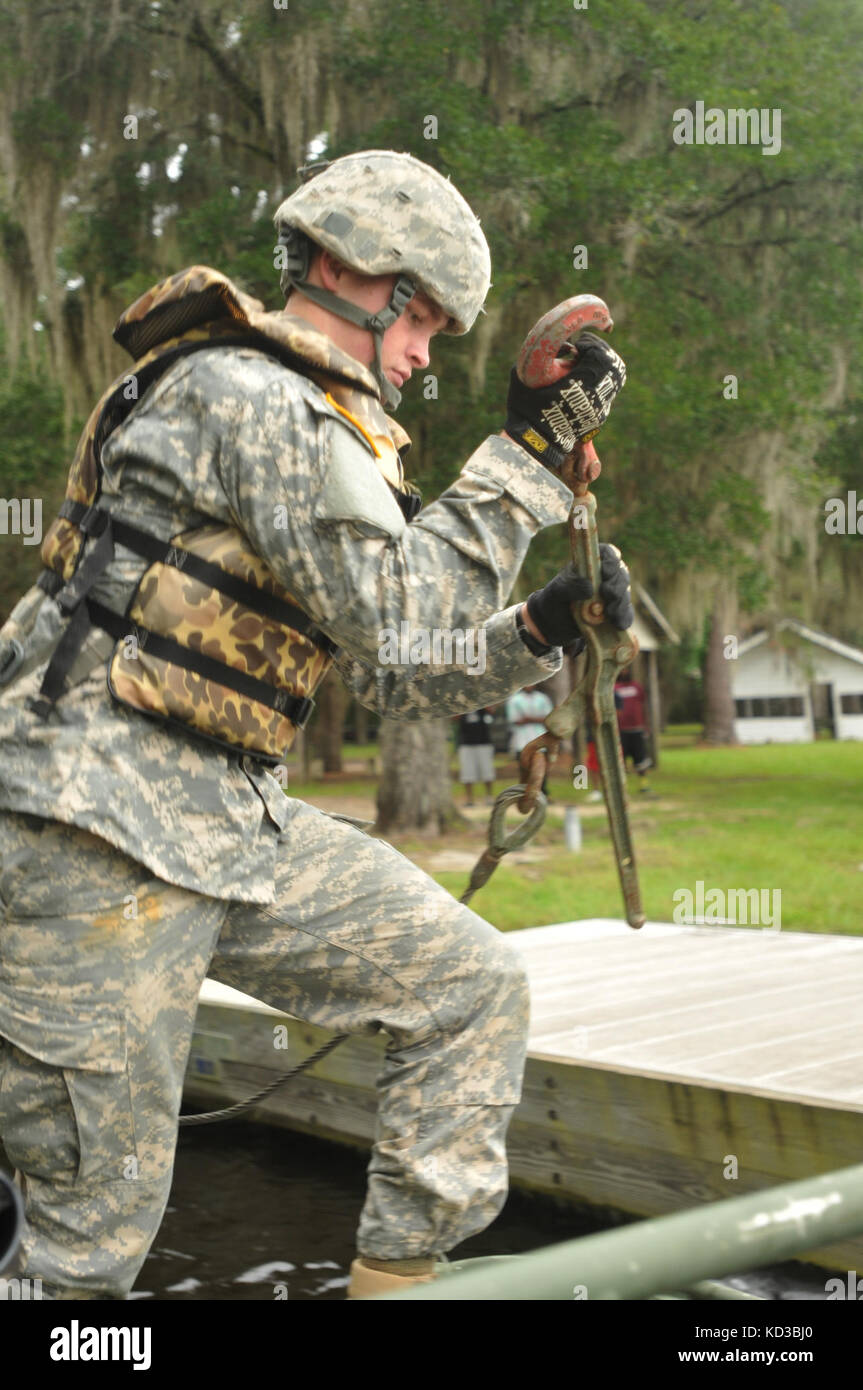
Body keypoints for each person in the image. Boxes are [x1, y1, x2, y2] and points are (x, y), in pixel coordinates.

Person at [0, 149, 632, 1300]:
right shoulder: (252, 395)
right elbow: (397, 625)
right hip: (85, 834)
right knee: (85, 1256)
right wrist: (531, 462)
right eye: (422, 321)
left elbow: (398, 674)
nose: (420, 355)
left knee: (467, 988)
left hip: (220, 821)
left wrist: (537, 625)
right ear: (350, 268)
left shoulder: (300, 411)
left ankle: (394, 1281)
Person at [615, 667, 653, 792]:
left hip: (637, 729)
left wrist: (646, 725)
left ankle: (644, 785)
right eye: (622, 670)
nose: (624, 672)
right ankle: (621, 787)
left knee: (641, 759)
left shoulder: (637, 687)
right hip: (621, 730)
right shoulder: (615, 688)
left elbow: (643, 705)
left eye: (626, 670)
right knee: (621, 759)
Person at [456, 707, 496, 806]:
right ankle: (469, 799)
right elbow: (454, 718)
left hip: (483, 741)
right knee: (467, 772)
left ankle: (489, 796)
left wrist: (480, 704)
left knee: (487, 770)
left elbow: (492, 710)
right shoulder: (462, 703)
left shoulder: (481, 702)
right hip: (466, 742)